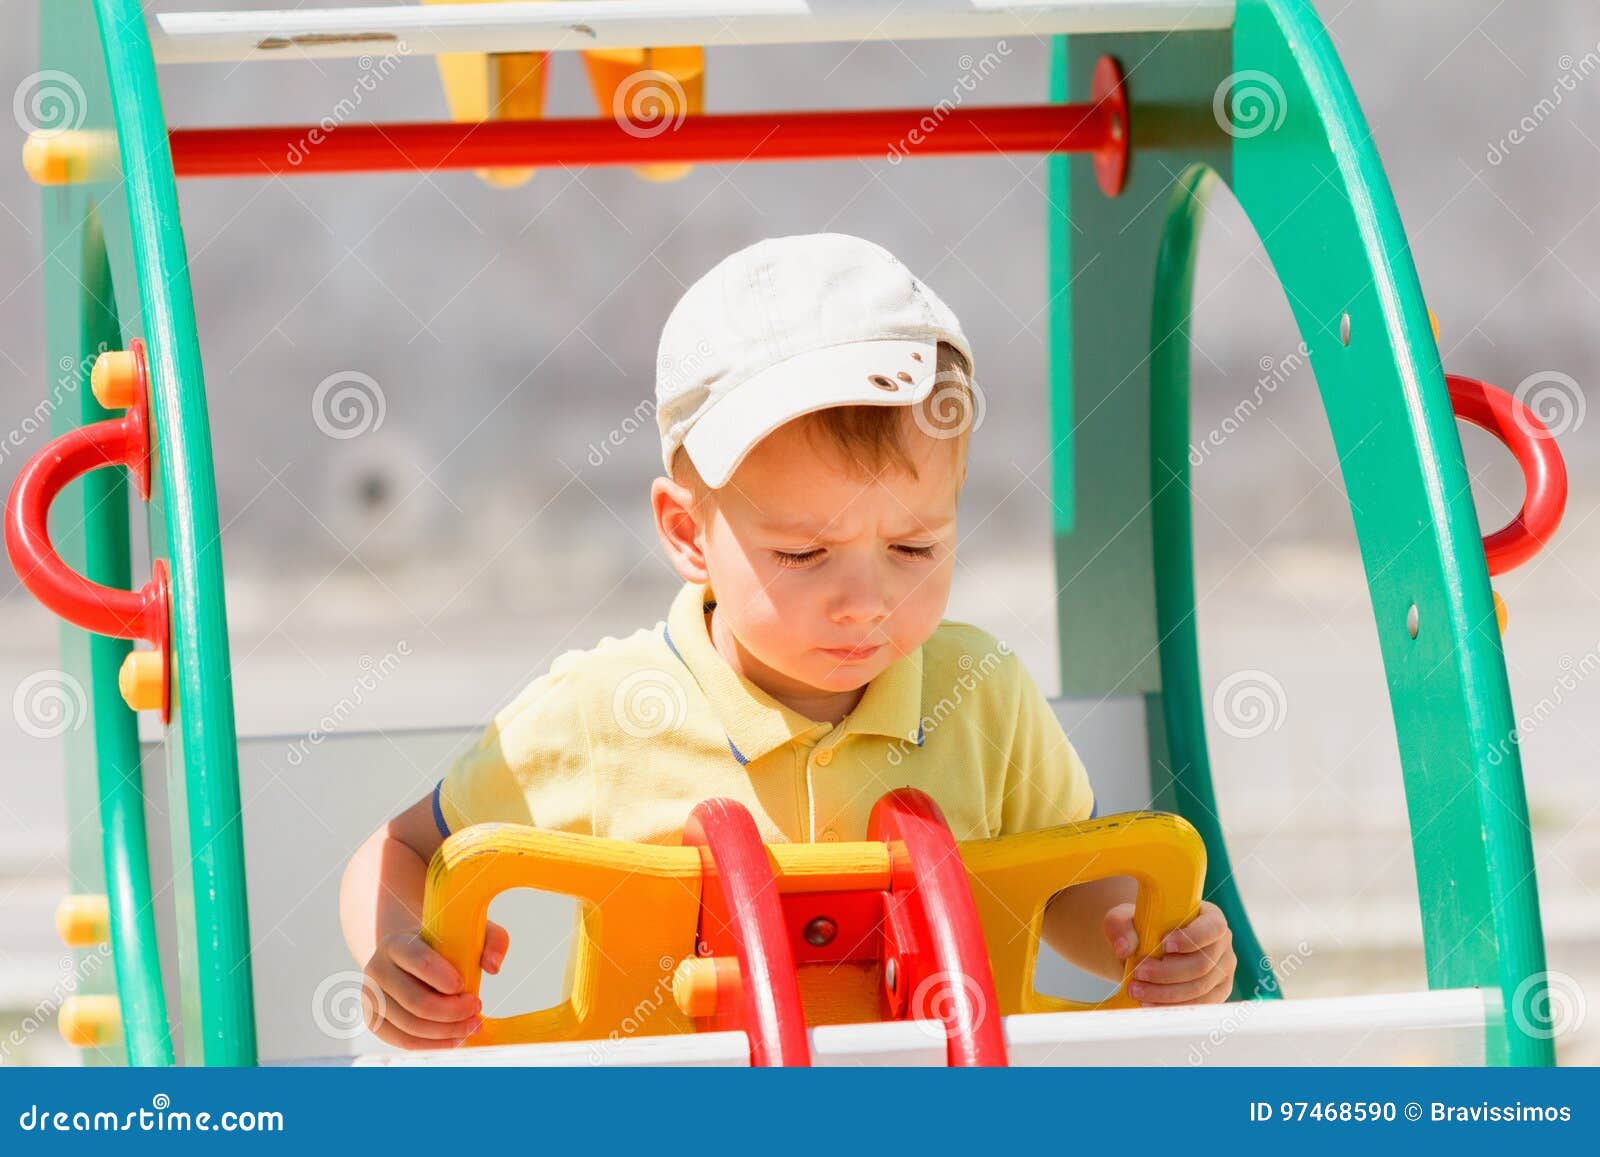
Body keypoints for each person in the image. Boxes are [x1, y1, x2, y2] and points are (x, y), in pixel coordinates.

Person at [339, 233, 1236, 1050]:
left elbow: (1072, 885)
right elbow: (401, 851)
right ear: (689, 534)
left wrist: (1142, 939)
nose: (866, 603)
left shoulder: (983, 695)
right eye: (804, 555)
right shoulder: (603, 713)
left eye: (914, 547)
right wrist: (401, 951)